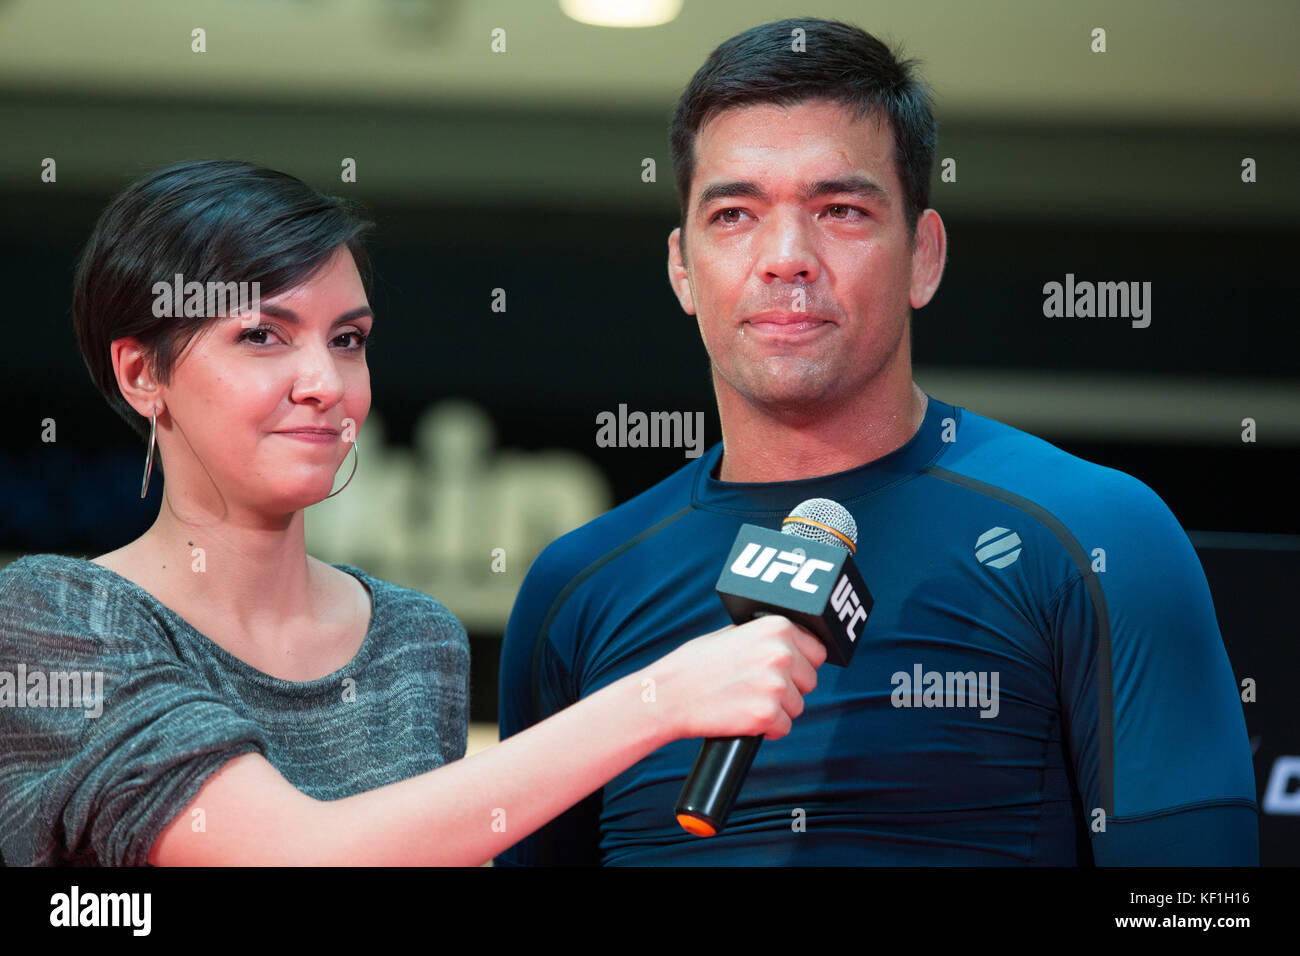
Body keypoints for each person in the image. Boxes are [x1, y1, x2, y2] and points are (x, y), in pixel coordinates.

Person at [496, 17, 1258, 865]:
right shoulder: (575, 590)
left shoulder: (1099, 535)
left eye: (841, 209)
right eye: (736, 214)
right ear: (682, 269)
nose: (787, 257)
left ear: (923, 257)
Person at [0, 159, 826, 866]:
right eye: (262, 336)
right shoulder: (55, 617)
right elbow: (296, 856)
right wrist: (663, 698)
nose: (325, 383)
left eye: (347, 339)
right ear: (143, 374)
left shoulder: (412, 638)